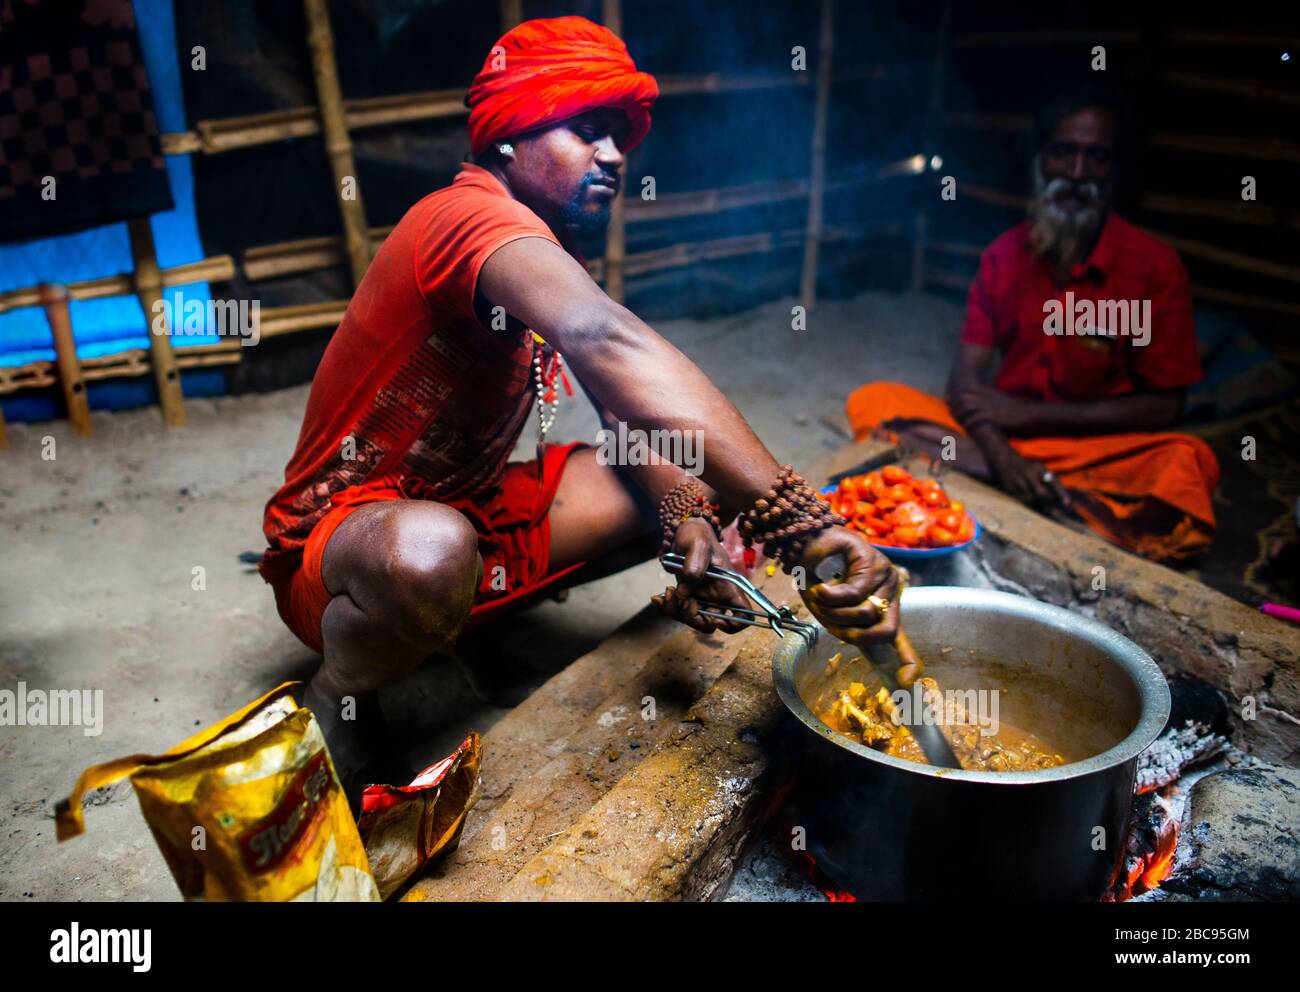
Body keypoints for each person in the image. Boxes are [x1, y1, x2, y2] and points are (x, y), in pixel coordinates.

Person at [258, 16, 898, 800]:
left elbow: (627, 414)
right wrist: (800, 523)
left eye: (621, 138)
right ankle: (339, 696)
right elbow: (606, 339)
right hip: (345, 544)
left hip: (472, 508)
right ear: (507, 137)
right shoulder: (465, 218)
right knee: (428, 554)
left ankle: (465, 616)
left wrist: (690, 521)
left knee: (680, 477)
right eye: (586, 130)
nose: (614, 156)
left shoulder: (548, 246)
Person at [847, 84, 1219, 561]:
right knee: (875, 402)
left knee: (1186, 463)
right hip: (1001, 437)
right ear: (1040, 159)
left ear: (1115, 169)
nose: (1078, 173)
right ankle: (1050, 490)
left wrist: (1027, 416)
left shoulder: (1154, 267)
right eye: (1064, 153)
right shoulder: (1004, 256)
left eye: (1096, 157)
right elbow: (963, 384)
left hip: (1094, 445)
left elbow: (1166, 406)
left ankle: (1030, 479)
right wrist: (1004, 455)